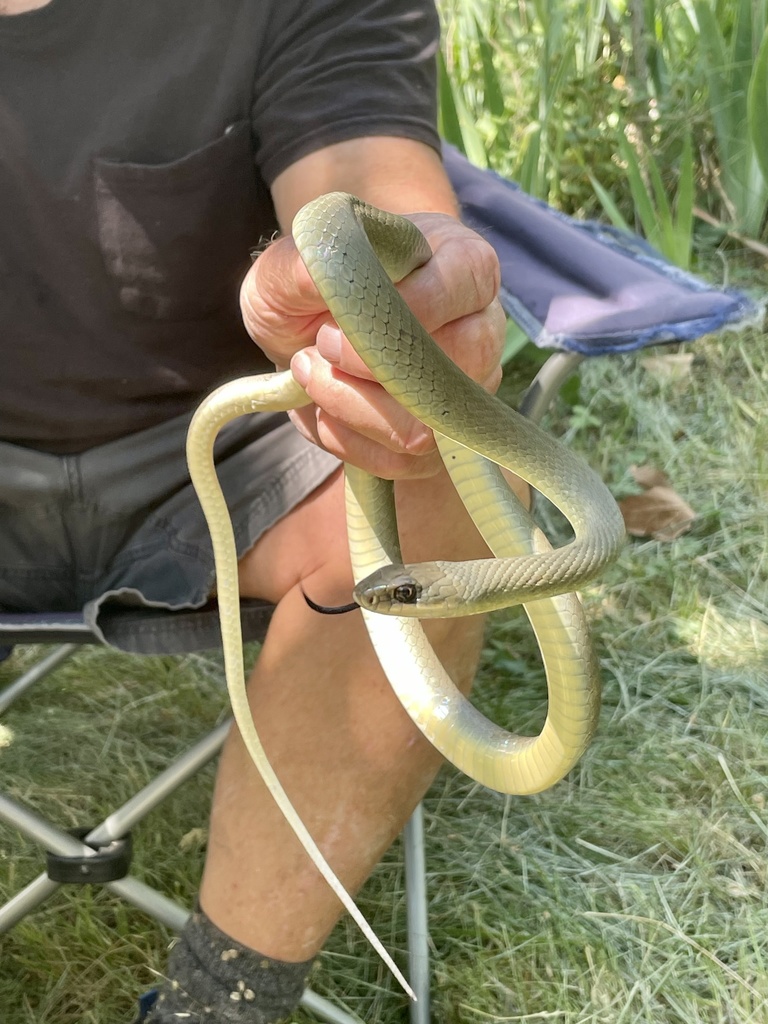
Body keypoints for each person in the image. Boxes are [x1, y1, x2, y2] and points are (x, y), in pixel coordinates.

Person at [0, 1, 523, 1020]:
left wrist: (419, 300)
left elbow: (376, 195)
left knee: (436, 474)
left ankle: (223, 999)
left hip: (234, 451)